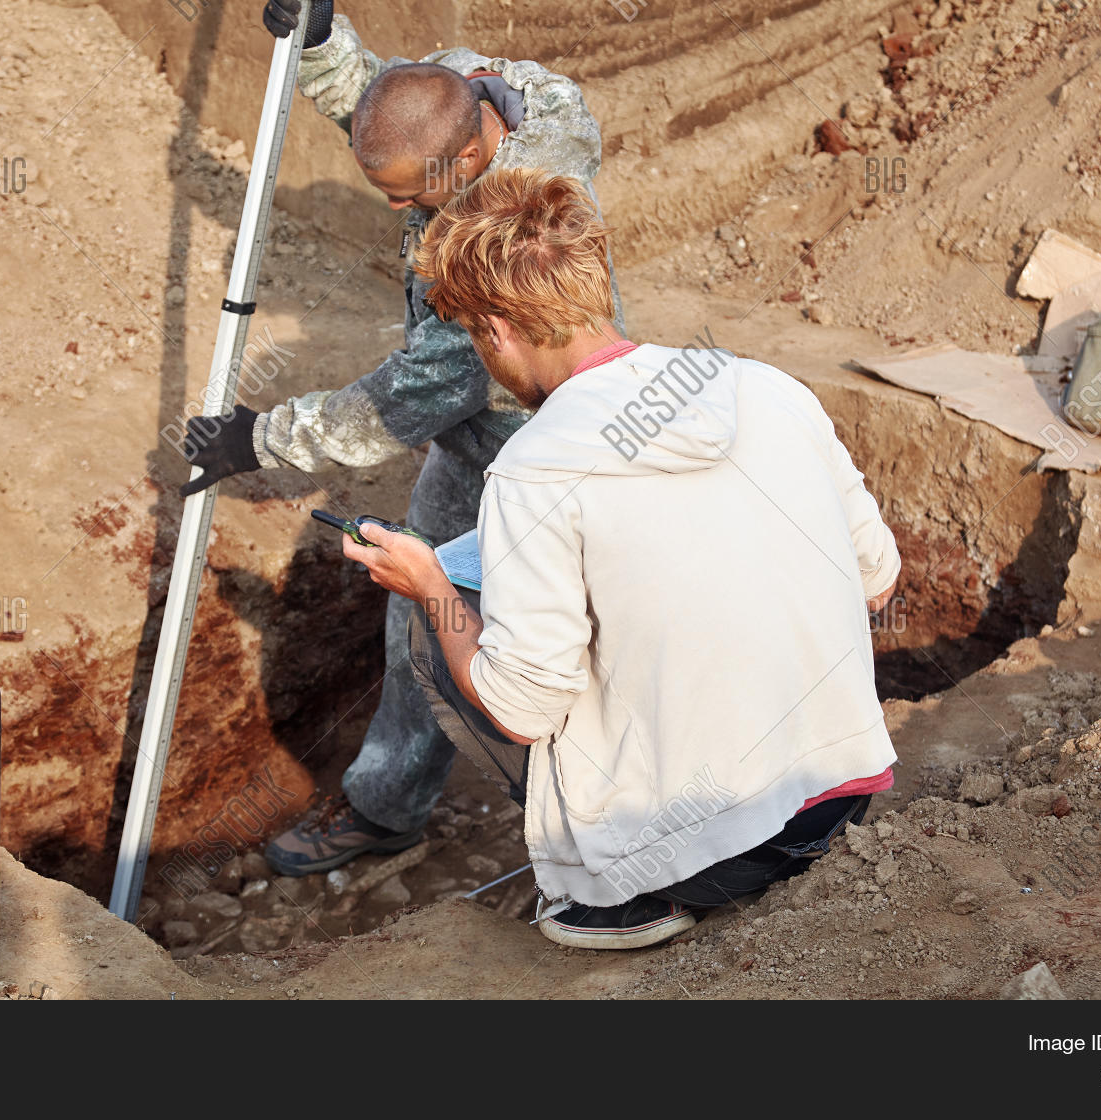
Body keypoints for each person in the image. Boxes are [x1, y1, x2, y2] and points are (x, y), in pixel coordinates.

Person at [338, 167, 903, 949]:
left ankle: (624, 887)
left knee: (443, 616)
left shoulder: (534, 470)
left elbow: (520, 710)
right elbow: (877, 583)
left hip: (724, 857)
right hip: (844, 798)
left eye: (474, 337)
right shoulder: (769, 389)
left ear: (497, 329)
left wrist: (429, 582)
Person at [181, 1, 623, 876]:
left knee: (563, 633)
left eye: (409, 197)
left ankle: (599, 824)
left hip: (549, 441)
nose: (399, 211)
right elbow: (384, 104)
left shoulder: (506, 238)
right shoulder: (471, 94)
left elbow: (409, 397)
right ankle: (387, 807)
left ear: (468, 161)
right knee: (417, 607)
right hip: (473, 439)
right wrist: (323, 46)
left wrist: (261, 439)